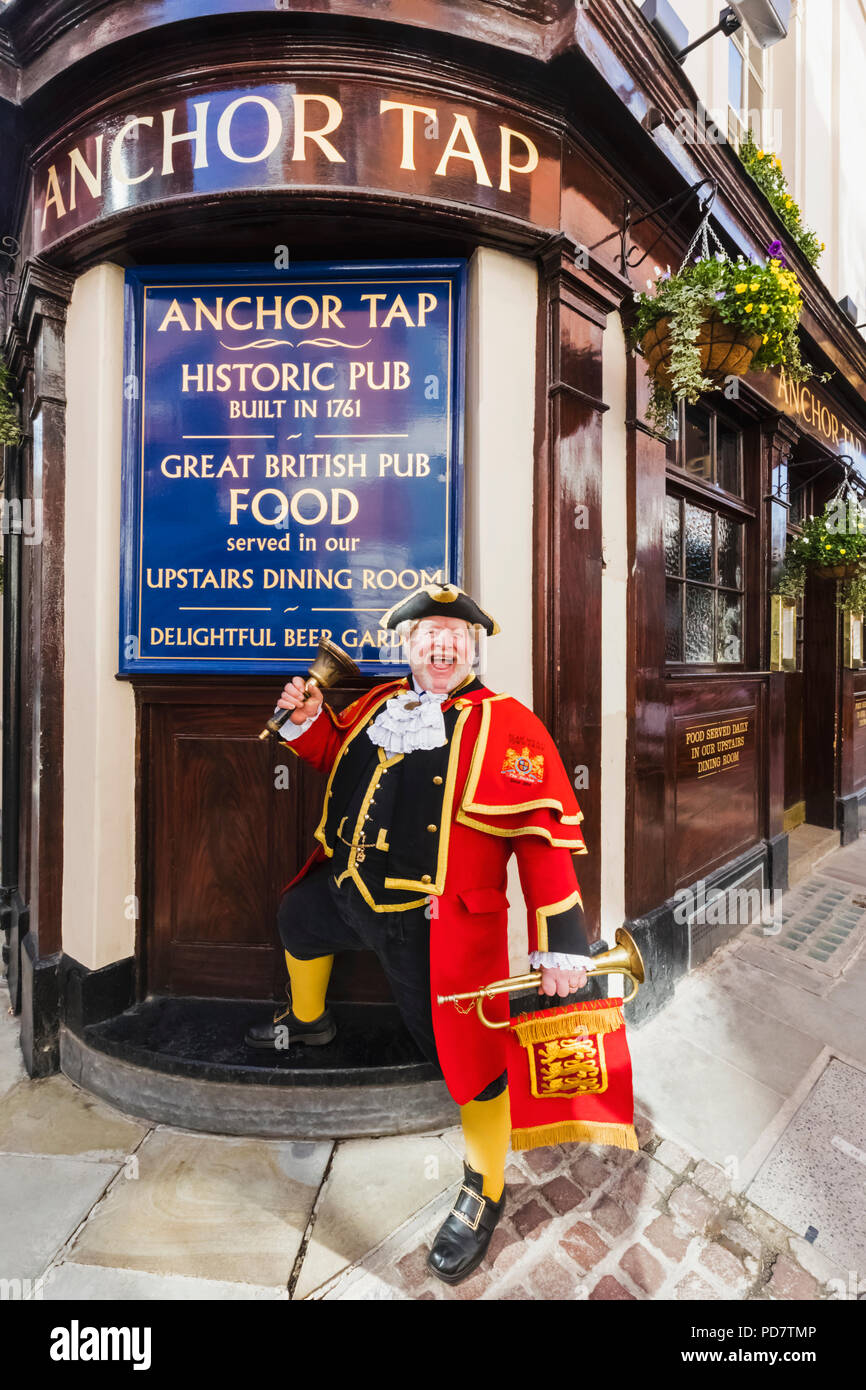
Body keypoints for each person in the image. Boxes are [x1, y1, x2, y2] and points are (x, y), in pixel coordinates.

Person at [247, 583, 592, 1284]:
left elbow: (542, 840)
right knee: (296, 917)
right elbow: (333, 758)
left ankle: (484, 1188)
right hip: (349, 893)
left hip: (434, 926)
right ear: (406, 646)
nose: (441, 645)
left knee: (470, 1063)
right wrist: (307, 721)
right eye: (428, 634)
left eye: (455, 636)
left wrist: (561, 945)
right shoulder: (378, 705)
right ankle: (309, 1024)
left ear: (473, 649)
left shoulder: (511, 726)